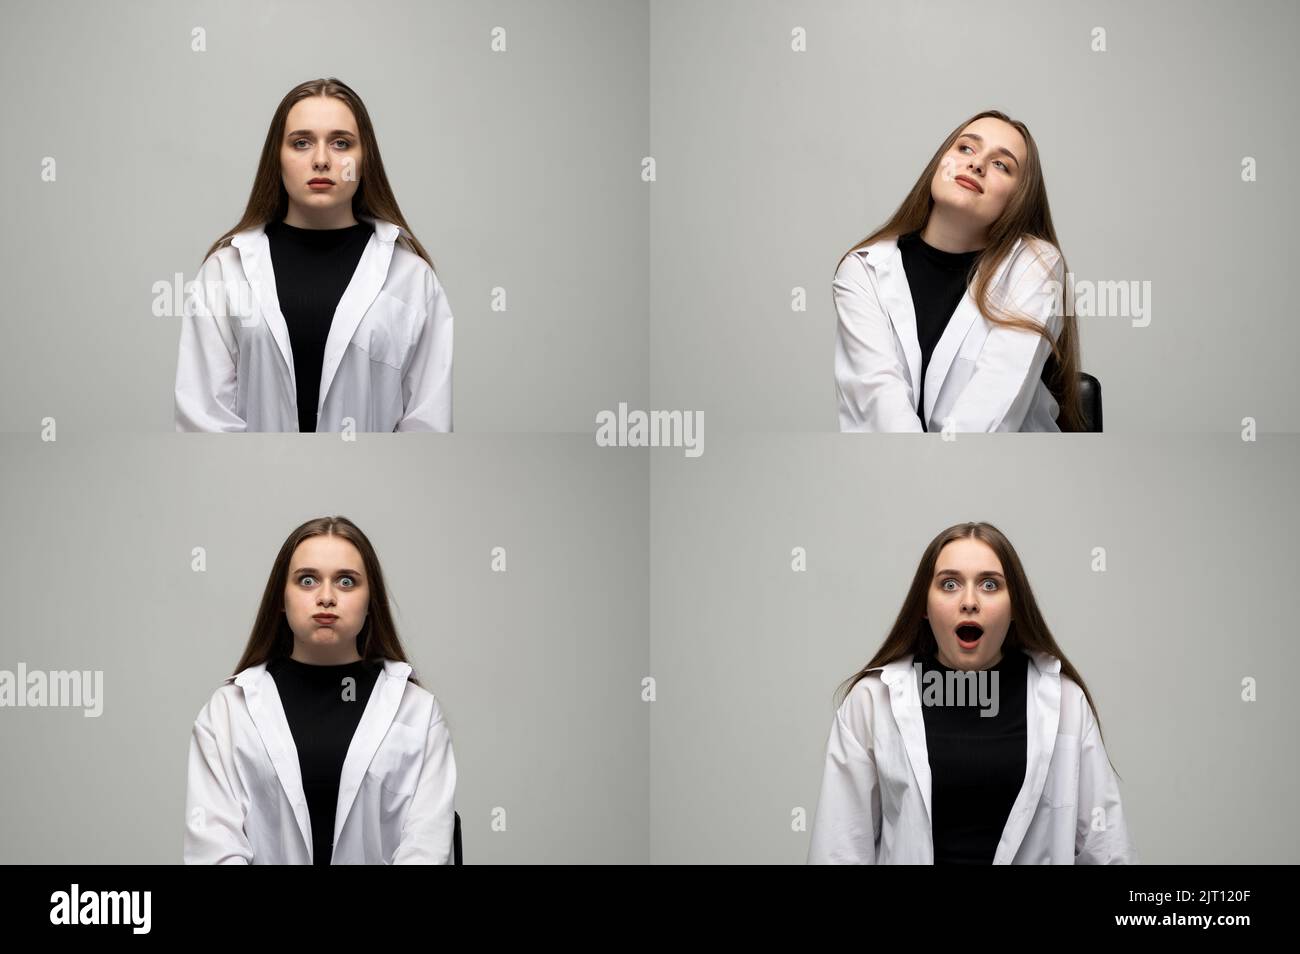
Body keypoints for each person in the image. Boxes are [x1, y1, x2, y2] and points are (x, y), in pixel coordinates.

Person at [808, 521, 1136, 863]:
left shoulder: (1066, 703)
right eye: (949, 584)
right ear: (924, 605)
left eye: (990, 585)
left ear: (1014, 607)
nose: (969, 601)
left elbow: (1107, 849)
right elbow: (838, 849)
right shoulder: (872, 702)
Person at [175, 78, 453, 432]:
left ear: (364, 159)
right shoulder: (224, 273)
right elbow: (204, 422)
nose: (321, 160)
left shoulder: (412, 279)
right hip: (251, 486)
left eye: (341, 143)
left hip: (375, 487)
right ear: (277, 158)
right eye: (301, 143)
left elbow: (427, 430)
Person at [184, 516, 457, 864]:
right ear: (281, 599)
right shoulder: (227, 711)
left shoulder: (418, 712)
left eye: (346, 581)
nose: (326, 597)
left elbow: (427, 848)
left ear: (370, 600)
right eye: (307, 580)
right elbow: (215, 849)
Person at [834, 110, 1082, 432]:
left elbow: (992, 410)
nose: (976, 164)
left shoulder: (1035, 265)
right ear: (940, 162)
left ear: (1018, 199)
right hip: (893, 474)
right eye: (966, 148)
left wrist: (936, 477)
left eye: (1001, 165)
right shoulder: (863, 268)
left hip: (1007, 477)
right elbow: (879, 405)